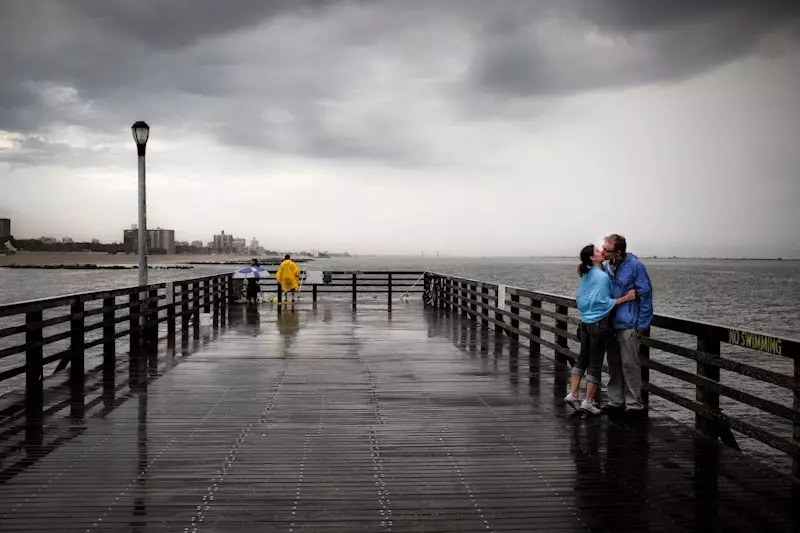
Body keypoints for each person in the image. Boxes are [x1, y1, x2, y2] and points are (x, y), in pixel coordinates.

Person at [566, 244, 636, 414]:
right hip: (598, 324)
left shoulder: (587, 274)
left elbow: (581, 300)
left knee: (582, 359)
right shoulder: (602, 276)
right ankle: (588, 401)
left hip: (585, 323)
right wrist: (626, 298)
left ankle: (573, 394)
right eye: (598, 251)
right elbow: (604, 302)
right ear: (592, 258)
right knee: (595, 363)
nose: (602, 252)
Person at [602, 234, 653, 415]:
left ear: (619, 251)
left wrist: (642, 325)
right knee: (613, 364)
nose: (603, 251)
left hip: (629, 324)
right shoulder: (608, 266)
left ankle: (634, 405)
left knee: (629, 364)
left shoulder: (635, 267)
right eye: (603, 248)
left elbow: (646, 296)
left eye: (607, 250)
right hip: (611, 324)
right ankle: (615, 401)